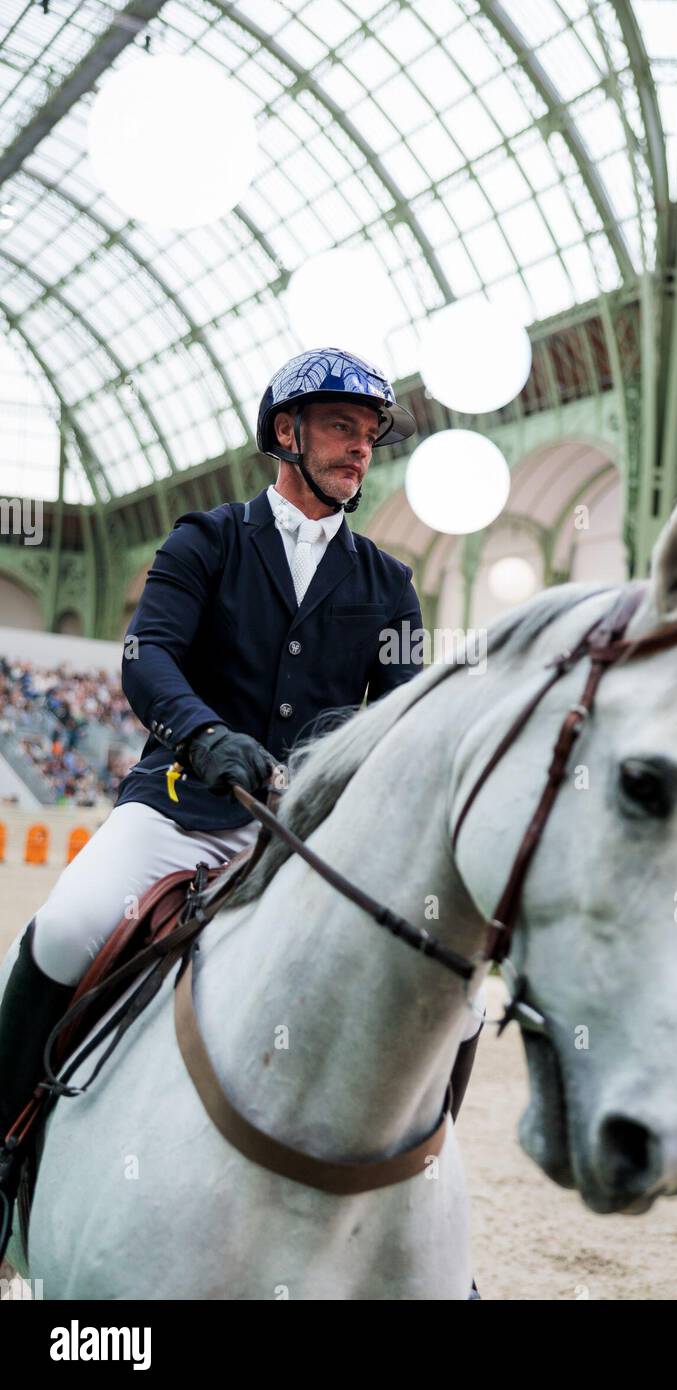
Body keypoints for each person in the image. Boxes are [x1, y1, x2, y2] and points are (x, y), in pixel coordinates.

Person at [0, 346, 482, 1252]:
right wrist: (200, 732)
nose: (361, 449)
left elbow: (403, 720)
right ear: (286, 433)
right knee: (67, 926)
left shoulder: (390, 584)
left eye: (371, 434)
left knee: (461, 1003)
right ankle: (1, 1157)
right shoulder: (205, 541)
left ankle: (409, 1211)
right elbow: (148, 659)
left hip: (308, 841)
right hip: (181, 809)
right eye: (342, 426)